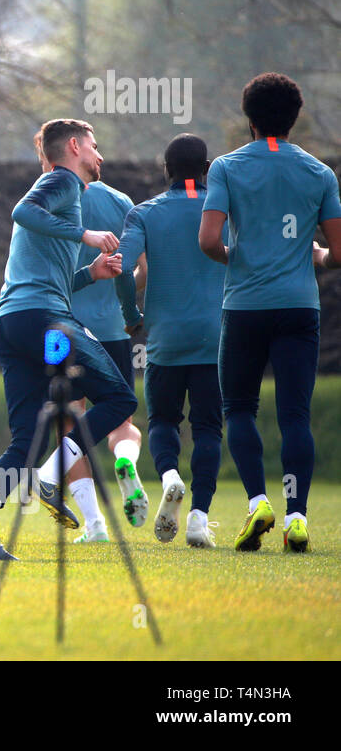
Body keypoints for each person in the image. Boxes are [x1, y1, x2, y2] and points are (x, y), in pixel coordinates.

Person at [0, 119, 136, 561]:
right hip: (46, 325)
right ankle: (54, 475)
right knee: (119, 398)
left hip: (15, 325)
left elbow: (46, 280)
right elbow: (20, 211)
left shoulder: (63, 191)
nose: (99, 156)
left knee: (27, 439)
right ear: (74, 147)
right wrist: (86, 235)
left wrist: (91, 272)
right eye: (94, 147)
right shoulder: (62, 182)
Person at [199, 72, 341, 553]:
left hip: (244, 307)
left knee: (238, 408)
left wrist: (237, 256)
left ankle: (259, 501)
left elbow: (208, 241)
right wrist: (316, 255)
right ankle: (297, 517)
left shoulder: (225, 167)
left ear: (249, 117)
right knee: (294, 415)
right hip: (299, 308)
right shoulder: (321, 174)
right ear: (295, 117)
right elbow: (336, 253)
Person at [30, 135, 146, 543]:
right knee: (121, 420)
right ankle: (125, 460)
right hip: (113, 327)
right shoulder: (121, 202)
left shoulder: (47, 201)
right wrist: (128, 311)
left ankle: (95, 523)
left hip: (63, 326)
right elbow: (139, 268)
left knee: (68, 419)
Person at [116, 134, 225, 548]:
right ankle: (198, 520)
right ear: (207, 169)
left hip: (164, 338)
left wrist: (131, 316)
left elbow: (122, 268)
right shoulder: (224, 211)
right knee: (209, 428)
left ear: (166, 170)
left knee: (163, 422)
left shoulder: (143, 214)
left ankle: (170, 477)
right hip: (216, 339)